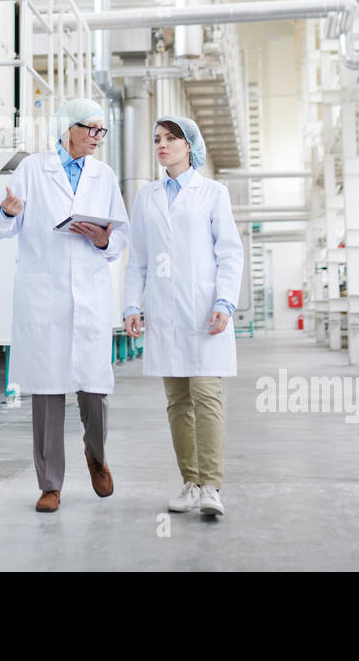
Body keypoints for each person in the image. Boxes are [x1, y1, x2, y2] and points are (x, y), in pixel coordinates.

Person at [0, 98, 129, 513]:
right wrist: (7, 211)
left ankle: (97, 457)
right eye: (93, 129)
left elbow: (119, 235)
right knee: (47, 393)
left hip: (90, 292)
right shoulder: (33, 170)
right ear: (68, 128)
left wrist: (101, 239)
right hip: (43, 295)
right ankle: (50, 484)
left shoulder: (104, 176)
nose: (99, 138)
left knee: (94, 390)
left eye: (104, 131)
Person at [123, 116, 244, 517]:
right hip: (163, 313)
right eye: (157, 138)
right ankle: (189, 483)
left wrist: (225, 302)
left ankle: (212, 486)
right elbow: (137, 260)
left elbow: (229, 252)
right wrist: (131, 305)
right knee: (177, 401)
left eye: (171, 138)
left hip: (203, 310)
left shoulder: (212, 193)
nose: (162, 145)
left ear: (189, 145)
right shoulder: (147, 197)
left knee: (206, 397)